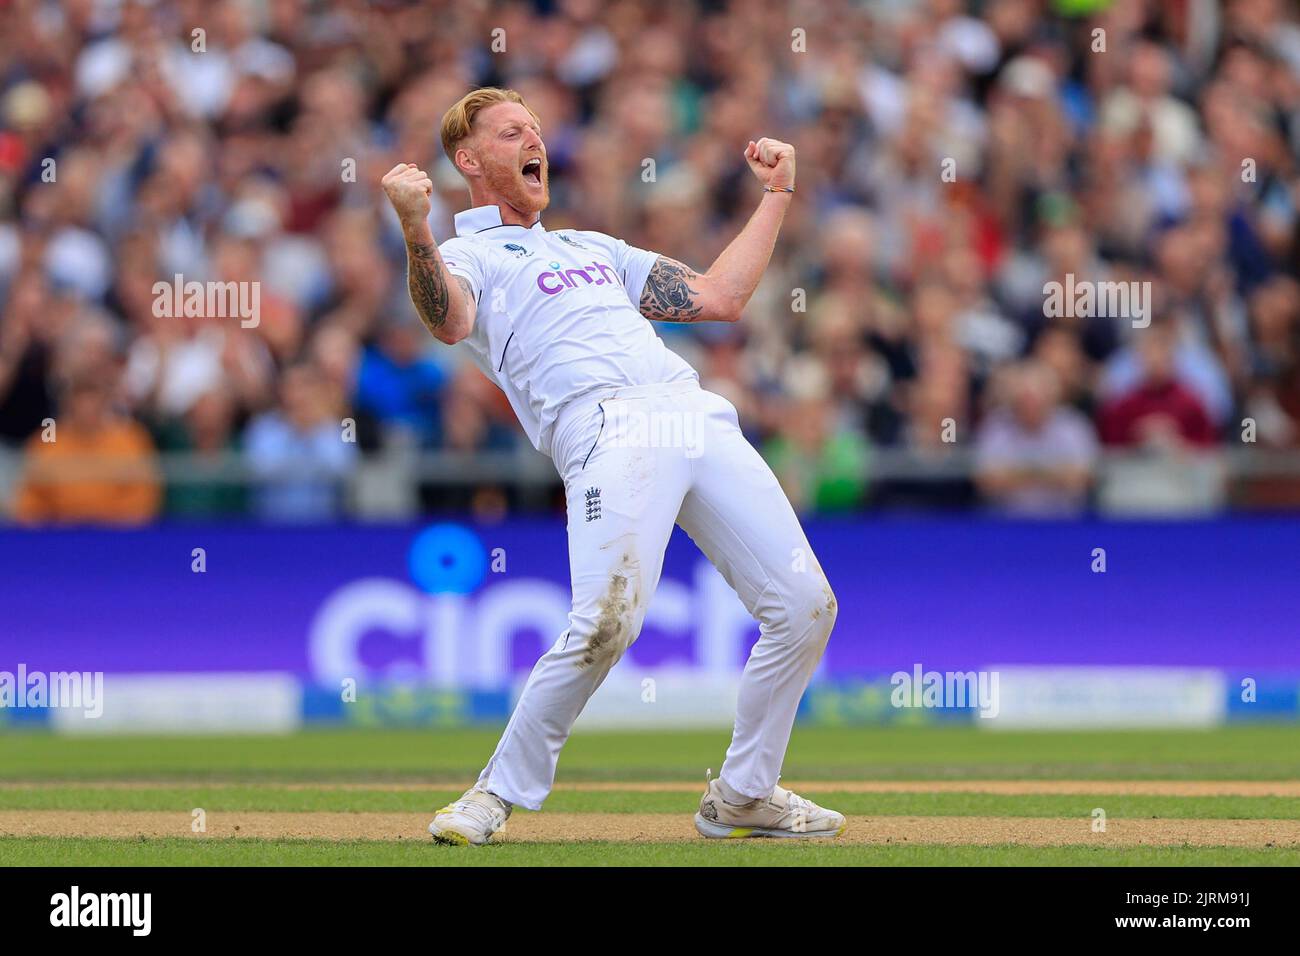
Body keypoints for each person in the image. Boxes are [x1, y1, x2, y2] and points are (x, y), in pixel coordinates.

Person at [382, 87, 843, 845]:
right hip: (606, 426)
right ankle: (493, 795)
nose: (534, 139)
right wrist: (411, 226)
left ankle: (744, 794)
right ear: (468, 160)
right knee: (605, 621)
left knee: (805, 607)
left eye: (534, 127)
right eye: (510, 132)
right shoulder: (463, 255)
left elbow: (719, 297)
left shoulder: (591, 247)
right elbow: (448, 321)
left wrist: (779, 194)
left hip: (690, 408)